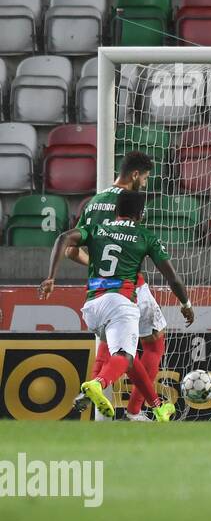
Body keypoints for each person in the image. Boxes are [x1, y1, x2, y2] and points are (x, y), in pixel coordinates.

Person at [39, 189, 195, 420]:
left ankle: (152, 405)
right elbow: (172, 277)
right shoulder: (145, 236)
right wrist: (185, 303)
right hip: (121, 303)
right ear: (140, 214)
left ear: (115, 211)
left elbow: (63, 239)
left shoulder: (97, 229)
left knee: (114, 350)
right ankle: (98, 384)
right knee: (126, 356)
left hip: (92, 306)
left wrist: (51, 277)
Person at [67, 151, 170, 419]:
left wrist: (99, 267)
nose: (145, 184)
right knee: (154, 343)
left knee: (110, 345)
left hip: (97, 289)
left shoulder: (92, 203)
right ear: (135, 175)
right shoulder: (127, 201)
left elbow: (70, 251)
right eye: (145, 178)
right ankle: (136, 411)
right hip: (129, 286)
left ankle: (95, 398)